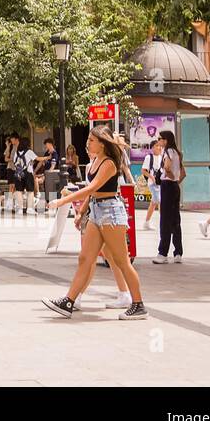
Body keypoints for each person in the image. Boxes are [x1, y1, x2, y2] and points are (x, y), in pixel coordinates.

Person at [43, 125, 148, 320]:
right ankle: (69, 301)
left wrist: (62, 201)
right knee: (85, 258)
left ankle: (138, 304)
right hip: (97, 211)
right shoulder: (94, 161)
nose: (88, 142)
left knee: (121, 261)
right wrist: (82, 212)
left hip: (111, 212)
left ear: (102, 143)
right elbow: (93, 192)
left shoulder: (108, 163)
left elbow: (92, 187)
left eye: (92, 140)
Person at [153, 129, 185, 264]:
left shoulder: (167, 152)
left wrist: (170, 177)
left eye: (160, 138)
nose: (159, 141)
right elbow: (183, 173)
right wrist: (176, 181)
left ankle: (163, 253)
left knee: (165, 219)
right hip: (175, 187)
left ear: (166, 140)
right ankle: (178, 252)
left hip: (167, 186)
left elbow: (167, 168)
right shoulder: (178, 153)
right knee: (175, 220)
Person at [140, 139, 162, 230]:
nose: (159, 147)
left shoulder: (162, 157)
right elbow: (143, 171)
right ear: (152, 148)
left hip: (160, 183)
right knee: (161, 202)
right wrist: (151, 177)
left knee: (153, 203)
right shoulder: (149, 157)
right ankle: (164, 223)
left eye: (160, 146)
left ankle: (146, 222)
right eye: (157, 146)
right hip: (152, 184)